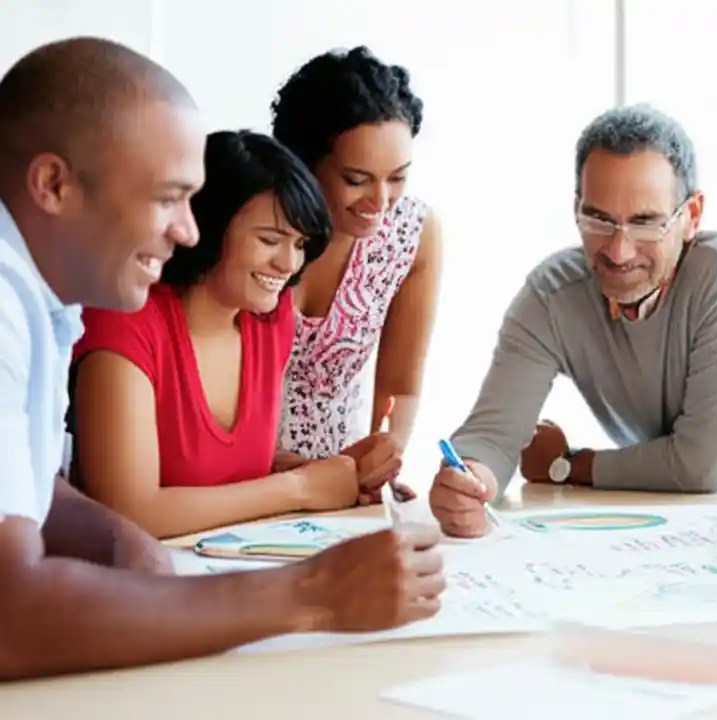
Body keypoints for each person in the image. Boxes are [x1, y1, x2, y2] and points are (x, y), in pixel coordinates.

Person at [0, 37, 443, 680]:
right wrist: (311, 593)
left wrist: (125, 542)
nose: (187, 230)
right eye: (167, 197)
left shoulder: (47, 304)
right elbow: (12, 620)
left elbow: (31, 485)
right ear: (52, 184)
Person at [430, 104, 717, 537]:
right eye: (599, 219)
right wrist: (469, 481)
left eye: (646, 223)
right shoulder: (551, 296)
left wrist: (568, 465)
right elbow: (492, 434)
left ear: (692, 217)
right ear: (577, 208)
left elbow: (699, 467)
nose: (619, 250)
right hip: (699, 532)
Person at [68, 130, 386, 538]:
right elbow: (131, 512)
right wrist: (298, 488)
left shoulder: (268, 321)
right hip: (132, 582)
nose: (289, 263)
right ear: (208, 228)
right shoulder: (126, 321)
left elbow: (231, 472)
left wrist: (337, 473)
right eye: (270, 240)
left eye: (301, 244)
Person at [271, 46, 442, 503]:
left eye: (398, 177)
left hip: (339, 490)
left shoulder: (413, 232)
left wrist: (380, 458)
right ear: (305, 162)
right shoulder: (252, 222)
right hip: (234, 480)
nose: (381, 201)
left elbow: (399, 387)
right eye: (356, 178)